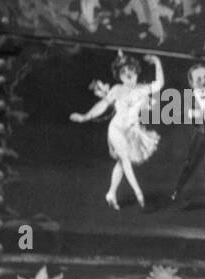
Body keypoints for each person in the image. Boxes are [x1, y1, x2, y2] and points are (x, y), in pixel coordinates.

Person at [69, 51, 163, 210]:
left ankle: (111, 193)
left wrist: (157, 62)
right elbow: (102, 106)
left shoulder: (143, 89)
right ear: (119, 76)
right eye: (124, 73)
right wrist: (85, 116)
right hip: (116, 129)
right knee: (125, 158)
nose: (129, 75)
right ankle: (138, 193)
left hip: (131, 131)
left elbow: (159, 84)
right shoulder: (117, 89)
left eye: (131, 71)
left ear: (136, 71)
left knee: (121, 162)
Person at [170, 62, 205, 212]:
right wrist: (193, 114)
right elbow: (182, 112)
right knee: (190, 164)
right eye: (198, 79)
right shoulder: (191, 97)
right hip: (201, 135)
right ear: (191, 83)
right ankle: (177, 190)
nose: (203, 81)